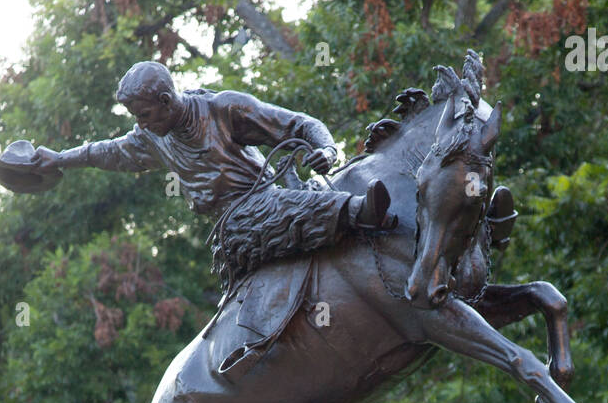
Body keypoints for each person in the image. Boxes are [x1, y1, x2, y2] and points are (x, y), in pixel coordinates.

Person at [31, 61, 394, 289]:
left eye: (144, 115)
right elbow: (105, 152)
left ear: (165, 100)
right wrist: (60, 158)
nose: (139, 124)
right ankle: (354, 211)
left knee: (283, 203)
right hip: (232, 227)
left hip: (263, 199)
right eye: (135, 119)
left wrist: (328, 150)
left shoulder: (224, 109)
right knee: (265, 214)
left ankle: (357, 208)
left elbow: (298, 124)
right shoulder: (151, 138)